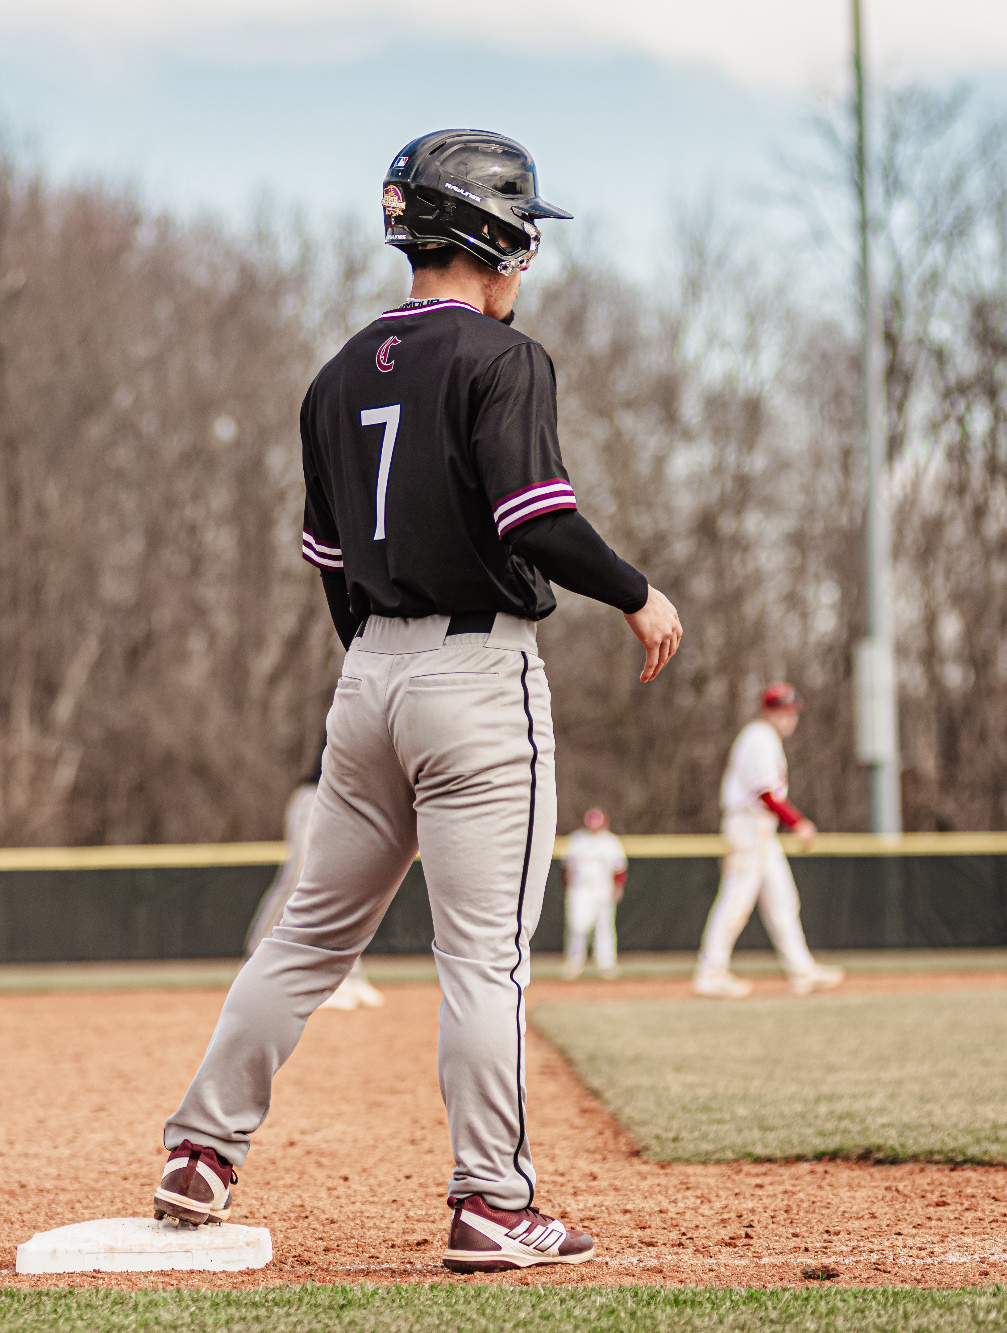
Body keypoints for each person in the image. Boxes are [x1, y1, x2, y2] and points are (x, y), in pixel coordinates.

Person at [149, 129, 683, 1274]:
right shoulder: (503, 358)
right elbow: (534, 520)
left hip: (366, 680)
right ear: (488, 236)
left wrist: (375, 663)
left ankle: (199, 1148)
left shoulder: (336, 372)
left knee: (305, 937)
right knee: (482, 960)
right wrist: (635, 593)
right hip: (475, 676)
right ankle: (491, 1203)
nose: (527, 251)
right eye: (521, 229)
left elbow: (328, 562)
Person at [693, 683, 845, 999]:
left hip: (761, 830)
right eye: (782, 712)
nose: (789, 718)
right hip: (747, 826)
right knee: (736, 900)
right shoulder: (759, 737)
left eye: (792, 712)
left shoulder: (765, 738)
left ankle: (802, 971)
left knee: (783, 900)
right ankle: (711, 973)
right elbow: (765, 792)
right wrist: (797, 822)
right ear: (767, 711)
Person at [244, 747, 385, 1010]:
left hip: (351, 803)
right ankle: (256, 960)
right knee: (299, 883)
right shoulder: (358, 719)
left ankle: (344, 974)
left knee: (345, 890)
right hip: (318, 796)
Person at [560, 808, 627, 980]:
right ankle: (574, 962)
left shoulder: (610, 842)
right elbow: (565, 867)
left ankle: (606, 963)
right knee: (577, 925)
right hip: (580, 889)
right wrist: (566, 886)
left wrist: (617, 888)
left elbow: (619, 869)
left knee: (604, 927)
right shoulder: (577, 840)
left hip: (603, 889)